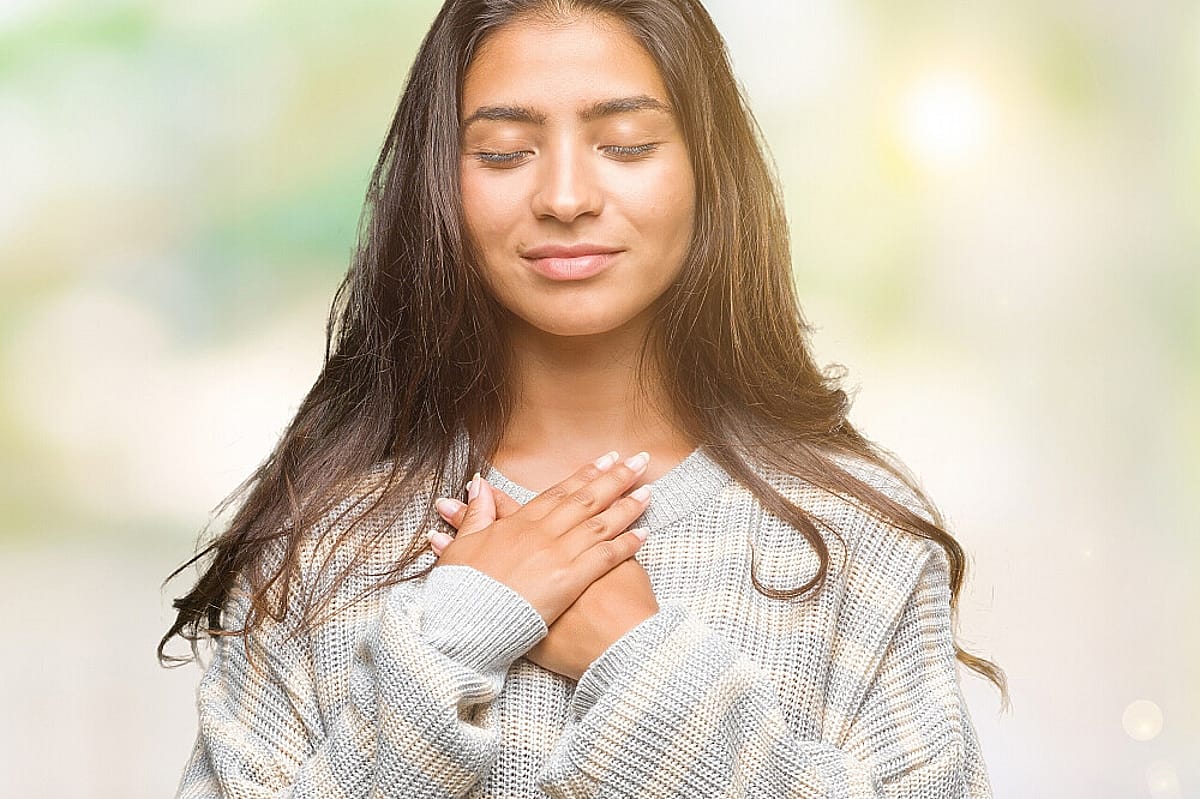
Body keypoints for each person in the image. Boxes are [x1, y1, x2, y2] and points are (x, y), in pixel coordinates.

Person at [160, 0, 1008, 796]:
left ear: (709, 169)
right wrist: (450, 635)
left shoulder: (857, 540)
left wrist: (645, 668)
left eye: (627, 143)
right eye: (502, 152)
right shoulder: (326, 541)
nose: (565, 197)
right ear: (439, 181)